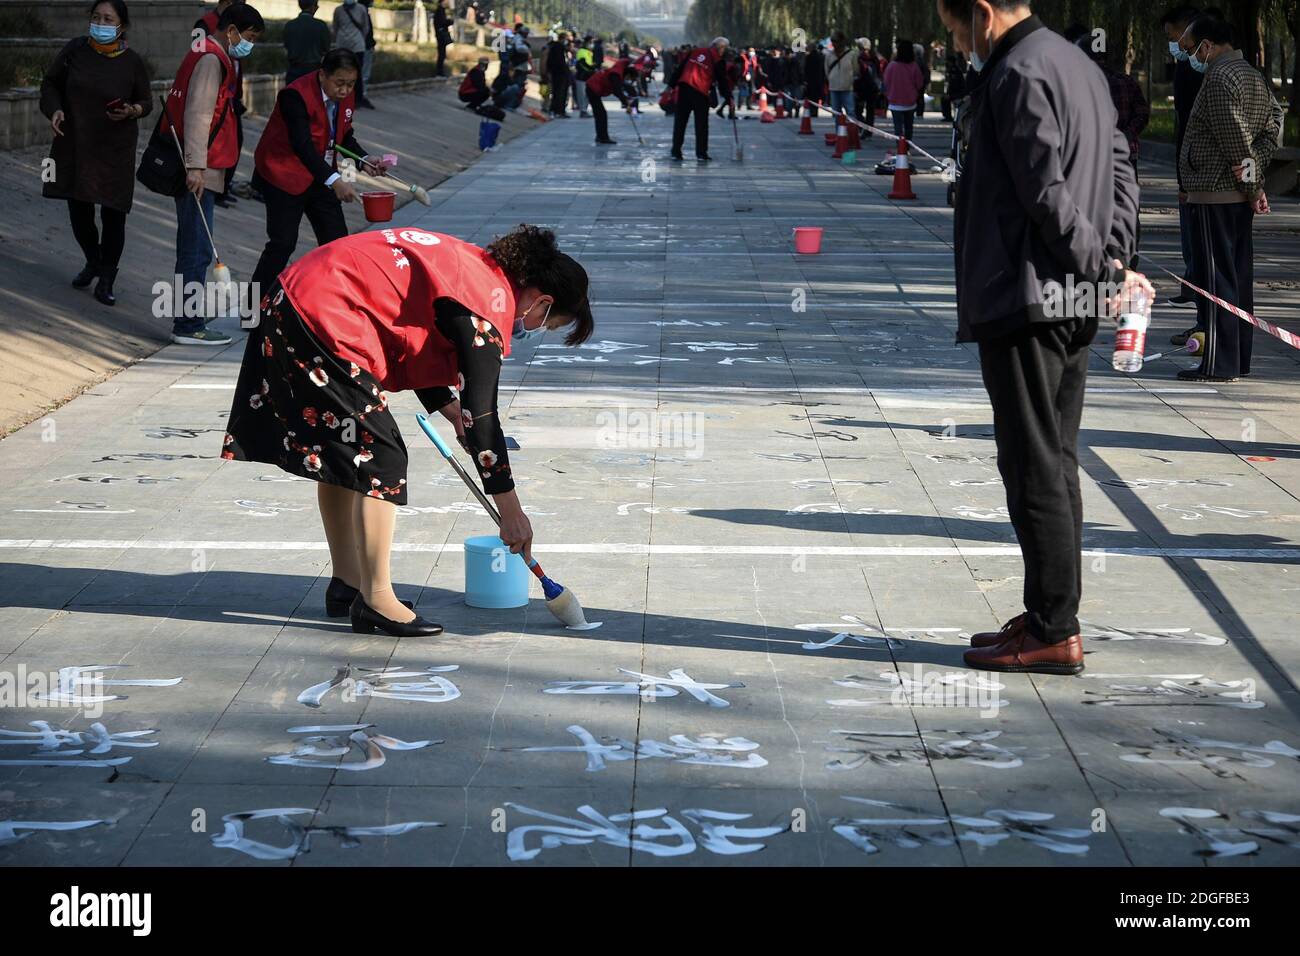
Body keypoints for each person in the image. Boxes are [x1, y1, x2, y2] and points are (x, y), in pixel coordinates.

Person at [221, 225, 594, 636]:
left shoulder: (478, 271)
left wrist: (453, 413)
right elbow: (484, 419)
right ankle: (377, 599)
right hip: (324, 312)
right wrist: (513, 515)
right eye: (547, 323)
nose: (533, 328)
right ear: (541, 301)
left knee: (345, 450)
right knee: (380, 457)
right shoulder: (486, 312)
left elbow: (417, 337)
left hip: (297, 296)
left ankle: (349, 584)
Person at [937, 0, 1148, 676]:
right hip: (1068, 294)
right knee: (1054, 458)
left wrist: (1097, 260)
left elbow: (1044, 189)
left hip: (1028, 293)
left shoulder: (1015, 72)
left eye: (953, 27)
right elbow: (1121, 166)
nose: (957, 41)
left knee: (1032, 465)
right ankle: (1051, 613)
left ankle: (1055, 628)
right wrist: (1113, 251)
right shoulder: (1077, 63)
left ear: (980, 12)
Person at [1175, 15, 1283, 382]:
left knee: (1217, 281)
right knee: (1236, 278)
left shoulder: (1220, 78)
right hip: (1232, 193)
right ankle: (1237, 360)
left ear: (1208, 44)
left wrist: (1253, 186)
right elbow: (1273, 126)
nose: (1188, 55)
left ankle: (1218, 364)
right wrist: (1255, 181)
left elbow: (1236, 142)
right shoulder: (1251, 74)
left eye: (1190, 48)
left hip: (1215, 194)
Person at [249, 48, 387, 305]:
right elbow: (302, 146)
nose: (345, 90)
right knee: (282, 243)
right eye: (340, 83)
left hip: (320, 175)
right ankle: (253, 308)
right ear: (323, 74)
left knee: (337, 242)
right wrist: (336, 181)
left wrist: (363, 160)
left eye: (351, 84)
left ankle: (337, 304)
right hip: (284, 174)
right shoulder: (295, 96)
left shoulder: (345, 95)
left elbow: (343, 136)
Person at [164, 2, 264, 346]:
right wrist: (195, 167)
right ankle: (188, 325)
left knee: (194, 245)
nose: (248, 45)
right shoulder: (210, 58)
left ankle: (188, 316)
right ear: (231, 29)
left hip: (205, 168)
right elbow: (198, 114)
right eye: (248, 37)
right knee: (196, 248)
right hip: (200, 172)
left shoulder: (210, 52)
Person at [40, 0, 151, 307]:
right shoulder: (75, 50)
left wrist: (133, 110)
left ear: (122, 26)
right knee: (78, 209)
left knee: (114, 214)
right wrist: (55, 109)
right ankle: (93, 260)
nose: (100, 23)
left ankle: (107, 278)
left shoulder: (132, 62)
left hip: (115, 150)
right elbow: (50, 84)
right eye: (96, 17)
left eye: (108, 18)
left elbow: (147, 100)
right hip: (75, 144)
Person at [1077, 35, 1149, 268]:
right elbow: (1142, 113)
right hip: (1126, 156)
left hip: (1090, 157)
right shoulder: (1126, 81)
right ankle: (1128, 256)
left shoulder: (1079, 82)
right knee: (1126, 205)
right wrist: (1127, 135)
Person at [1161, 4, 1206, 326]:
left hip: (1203, 175)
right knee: (1191, 238)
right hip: (1188, 169)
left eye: (1174, 36)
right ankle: (1193, 287)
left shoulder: (1205, 72)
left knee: (1200, 241)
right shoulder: (1186, 67)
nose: (1173, 44)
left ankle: (1205, 312)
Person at [195, 1, 248, 210]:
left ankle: (222, 189)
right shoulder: (205, 24)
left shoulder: (237, 27)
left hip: (232, 95)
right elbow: (197, 54)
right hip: (213, 93)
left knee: (235, 142)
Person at [669, 36, 729, 162]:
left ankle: (676, 152)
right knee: (701, 125)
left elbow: (681, 68)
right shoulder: (717, 59)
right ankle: (701, 153)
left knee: (680, 123)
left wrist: (671, 85)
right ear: (721, 47)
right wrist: (729, 97)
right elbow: (722, 80)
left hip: (684, 89)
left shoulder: (695, 52)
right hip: (700, 93)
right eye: (725, 48)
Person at [333, 0, 374, 108]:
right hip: (357, 46)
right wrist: (359, 38)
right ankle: (357, 100)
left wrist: (341, 37)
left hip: (342, 45)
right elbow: (366, 28)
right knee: (357, 74)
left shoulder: (338, 10)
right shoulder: (362, 9)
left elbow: (335, 27)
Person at [883, 38, 927, 141]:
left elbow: (886, 82)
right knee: (909, 127)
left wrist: (888, 93)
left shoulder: (892, 66)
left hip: (894, 102)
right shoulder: (914, 66)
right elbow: (920, 83)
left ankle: (900, 149)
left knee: (898, 128)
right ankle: (907, 147)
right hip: (910, 102)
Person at [586, 55, 632, 145]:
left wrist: (625, 101)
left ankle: (600, 136)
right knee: (601, 114)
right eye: (629, 78)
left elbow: (615, 89)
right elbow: (616, 90)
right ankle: (603, 137)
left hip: (592, 88)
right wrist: (625, 102)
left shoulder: (618, 71)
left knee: (600, 114)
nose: (628, 80)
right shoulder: (616, 74)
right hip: (592, 88)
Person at [284, 0, 331, 83]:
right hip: (314, 70)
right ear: (313, 7)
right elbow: (326, 48)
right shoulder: (321, 25)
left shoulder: (289, 25)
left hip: (293, 70)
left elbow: (287, 45)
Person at [825, 32, 858, 121]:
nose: (834, 44)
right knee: (836, 113)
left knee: (851, 112)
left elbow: (856, 71)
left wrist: (850, 81)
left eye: (835, 41)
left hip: (847, 88)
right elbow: (826, 71)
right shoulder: (829, 55)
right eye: (832, 41)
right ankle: (839, 133)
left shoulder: (851, 54)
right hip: (834, 88)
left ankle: (852, 132)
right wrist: (832, 80)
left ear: (842, 41)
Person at [545, 30, 570, 117]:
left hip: (557, 73)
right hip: (560, 73)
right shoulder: (558, 47)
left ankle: (556, 110)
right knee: (560, 93)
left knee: (557, 92)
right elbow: (559, 62)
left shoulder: (556, 47)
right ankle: (559, 111)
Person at [573, 35, 595, 116]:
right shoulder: (582, 51)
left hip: (588, 77)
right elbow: (582, 64)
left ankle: (584, 110)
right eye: (591, 42)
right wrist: (591, 69)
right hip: (582, 76)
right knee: (581, 94)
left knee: (587, 95)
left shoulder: (589, 52)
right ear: (587, 42)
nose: (592, 44)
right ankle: (582, 111)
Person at [803, 40, 825, 117]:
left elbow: (806, 69)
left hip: (811, 80)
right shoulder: (820, 56)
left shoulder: (809, 57)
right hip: (819, 80)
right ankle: (815, 111)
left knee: (811, 97)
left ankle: (812, 111)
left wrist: (805, 80)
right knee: (816, 97)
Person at [434, 0, 453, 77]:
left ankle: (441, 71)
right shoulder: (439, 10)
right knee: (441, 54)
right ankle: (439, 72)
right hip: (441, 35)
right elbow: (441, 23)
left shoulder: (442, 10)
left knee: (443, 54)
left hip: (441, 34)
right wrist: (449, 22)